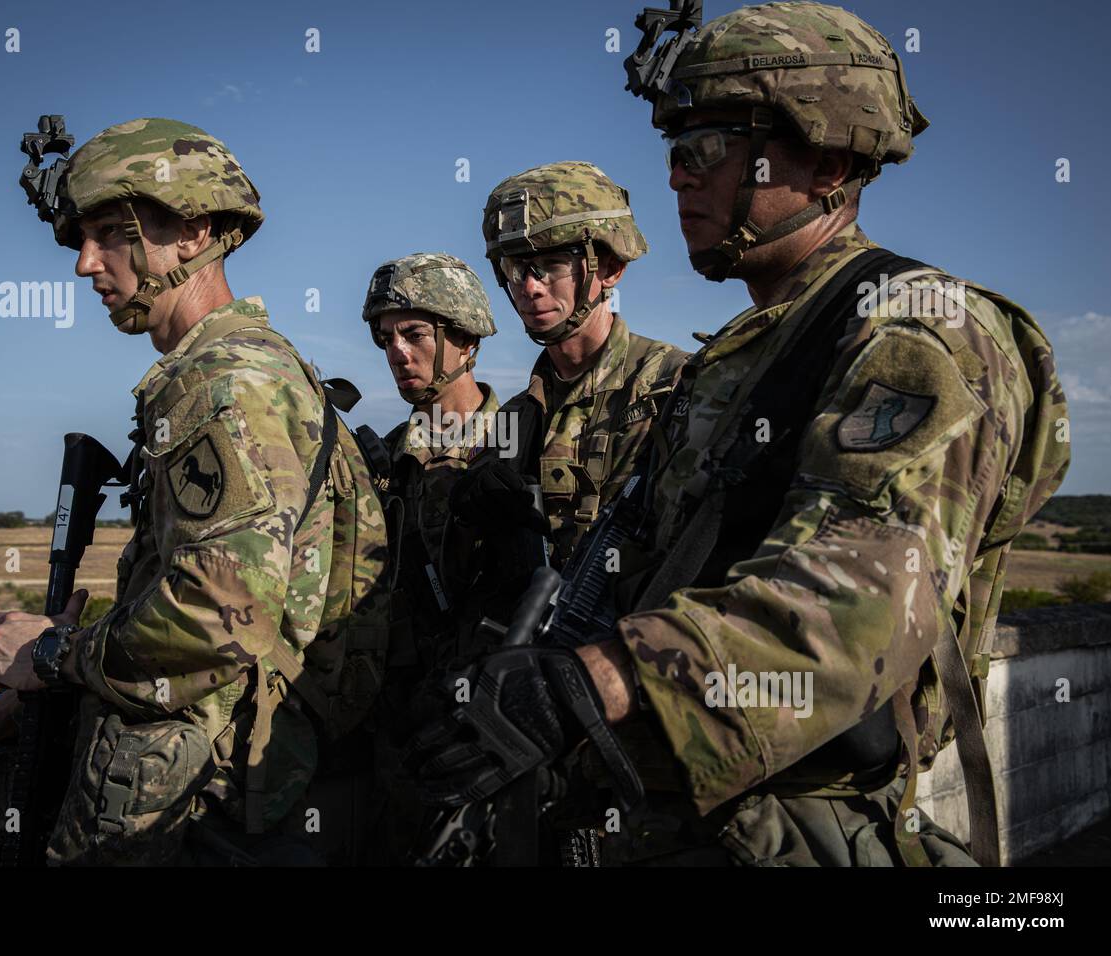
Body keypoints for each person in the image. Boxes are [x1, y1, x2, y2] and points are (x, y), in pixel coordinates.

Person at [406, 2, 1070, 867]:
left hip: (798, 821)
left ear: (827, 156)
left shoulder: (919, 330)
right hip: (685, 807)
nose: (678, 179)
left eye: (705, 149)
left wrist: (599, 678)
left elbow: (862, 605)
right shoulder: (747, 352)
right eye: (673, 153)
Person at [0, 117, 388, 865]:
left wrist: (53, 654)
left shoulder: (223, 383)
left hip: (201, 803)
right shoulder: (243, 367)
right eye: (80, 240)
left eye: (109, 234)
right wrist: (22, 698)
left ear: (194, 233)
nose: (85, 266)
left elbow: (218, 617)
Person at [449, 161, 687, 619]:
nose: (530, 287)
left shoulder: (672, 385)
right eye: (515, 269)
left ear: (610, 267)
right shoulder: (518, 417)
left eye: (550, 265)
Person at [354, 252, 500, 861]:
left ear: (464, 338)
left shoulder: (520, 445)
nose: (397, 353)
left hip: (493, 724)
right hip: (397, 729)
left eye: (415, 334)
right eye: (386, 338)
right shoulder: (383, 462)